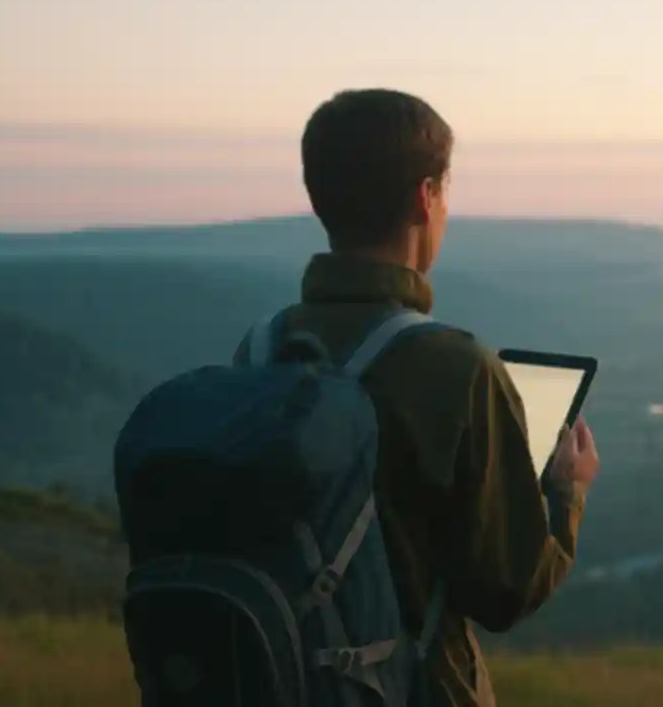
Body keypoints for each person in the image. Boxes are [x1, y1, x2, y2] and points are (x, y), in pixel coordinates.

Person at [239, 88, 601, 706]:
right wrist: (566, 492)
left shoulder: (259, 350)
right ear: (423, 197)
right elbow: (508, 591)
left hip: (270, 683)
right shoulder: (455, 367)